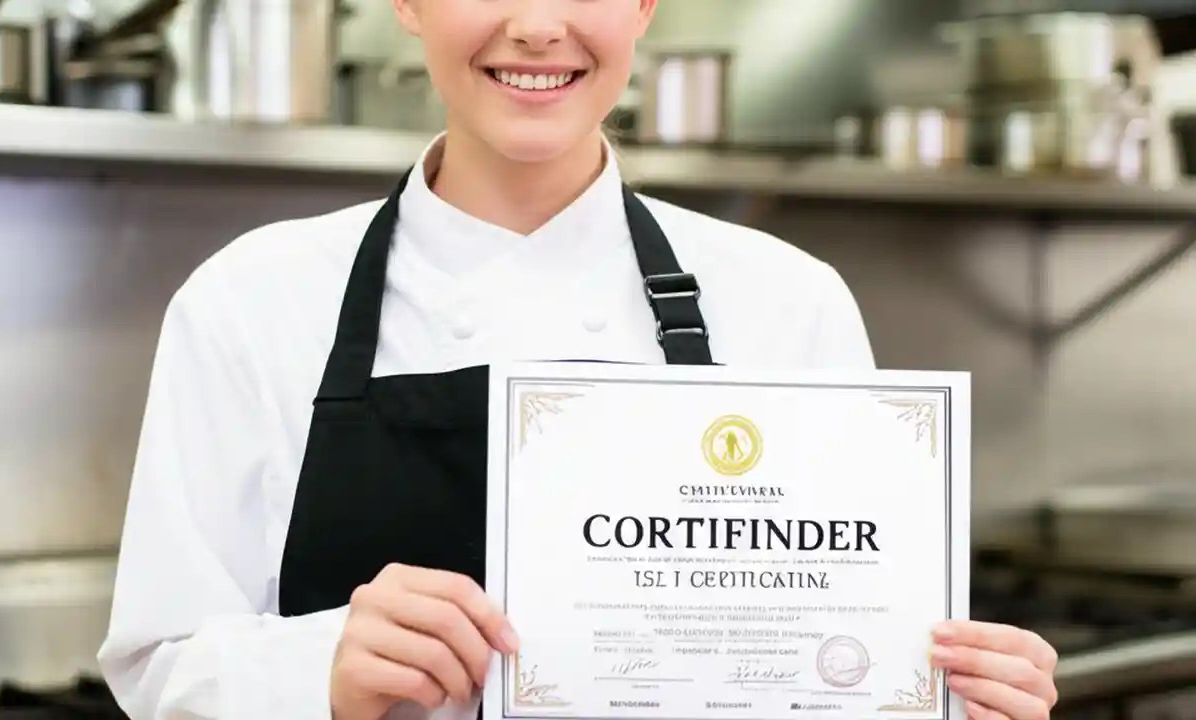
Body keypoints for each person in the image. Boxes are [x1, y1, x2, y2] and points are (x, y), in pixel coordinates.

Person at [97, 1, 1061, 719]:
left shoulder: (787, 302)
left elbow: (833, 672)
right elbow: (158, 664)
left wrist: (952, 690)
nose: (538, 24)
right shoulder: (251, 301)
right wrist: (319, 668)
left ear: (645, 5)